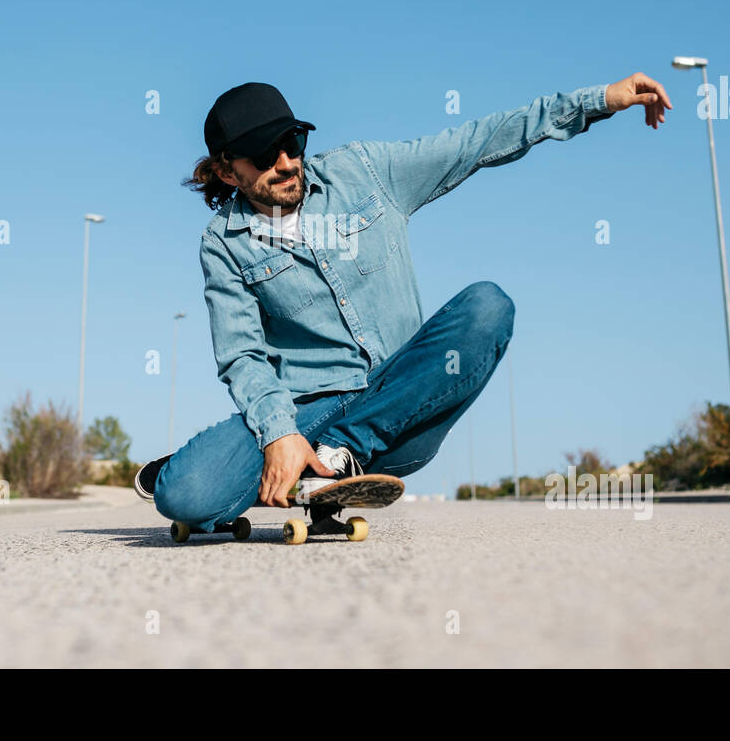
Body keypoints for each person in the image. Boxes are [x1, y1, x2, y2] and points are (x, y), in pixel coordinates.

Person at [134, 74, 672, 530]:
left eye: (292, 143)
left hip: (401, 407)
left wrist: (598, 100)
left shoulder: (365, 172)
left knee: (488, 306)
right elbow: (242, 356)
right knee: (186, 495)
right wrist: (278, 433)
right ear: (228, 171)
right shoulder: (224, 242)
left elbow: (478, 141)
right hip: (307, 411)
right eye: (263, 156)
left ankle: (342, 454)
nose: (286, 162)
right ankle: (250, 466)